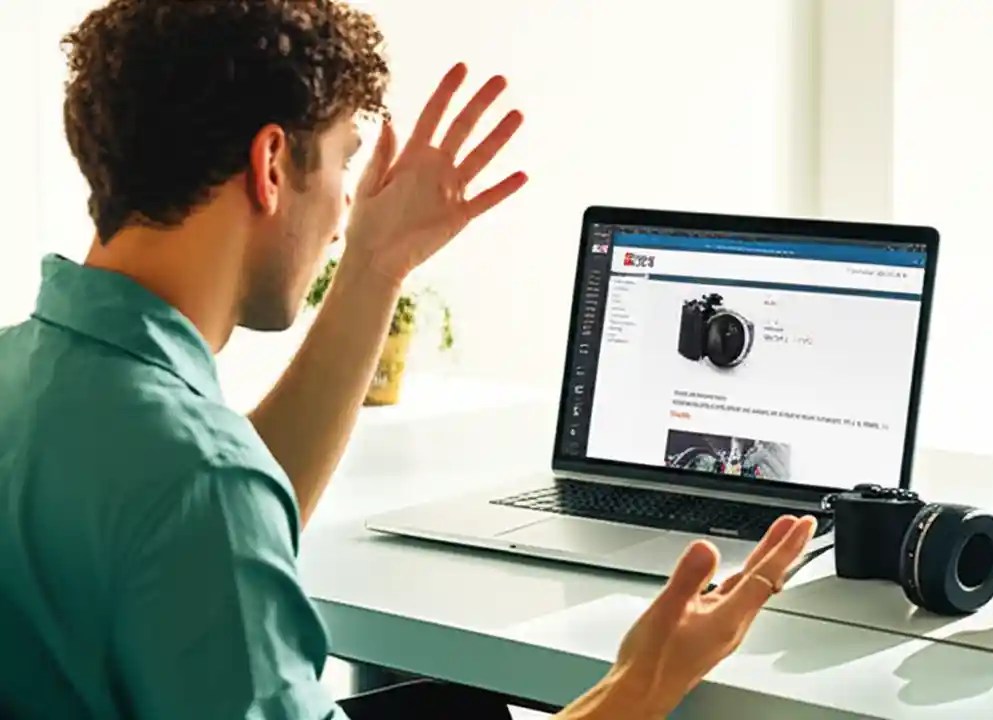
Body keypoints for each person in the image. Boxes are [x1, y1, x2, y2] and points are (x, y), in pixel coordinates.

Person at [0, 2, 818, 719]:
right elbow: (204, 503)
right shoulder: (197, 482)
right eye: (347, 160)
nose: (343, 208)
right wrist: (641, 684)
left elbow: (194, 523)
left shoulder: (35, 377)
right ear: (273, 164)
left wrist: (374, 268)